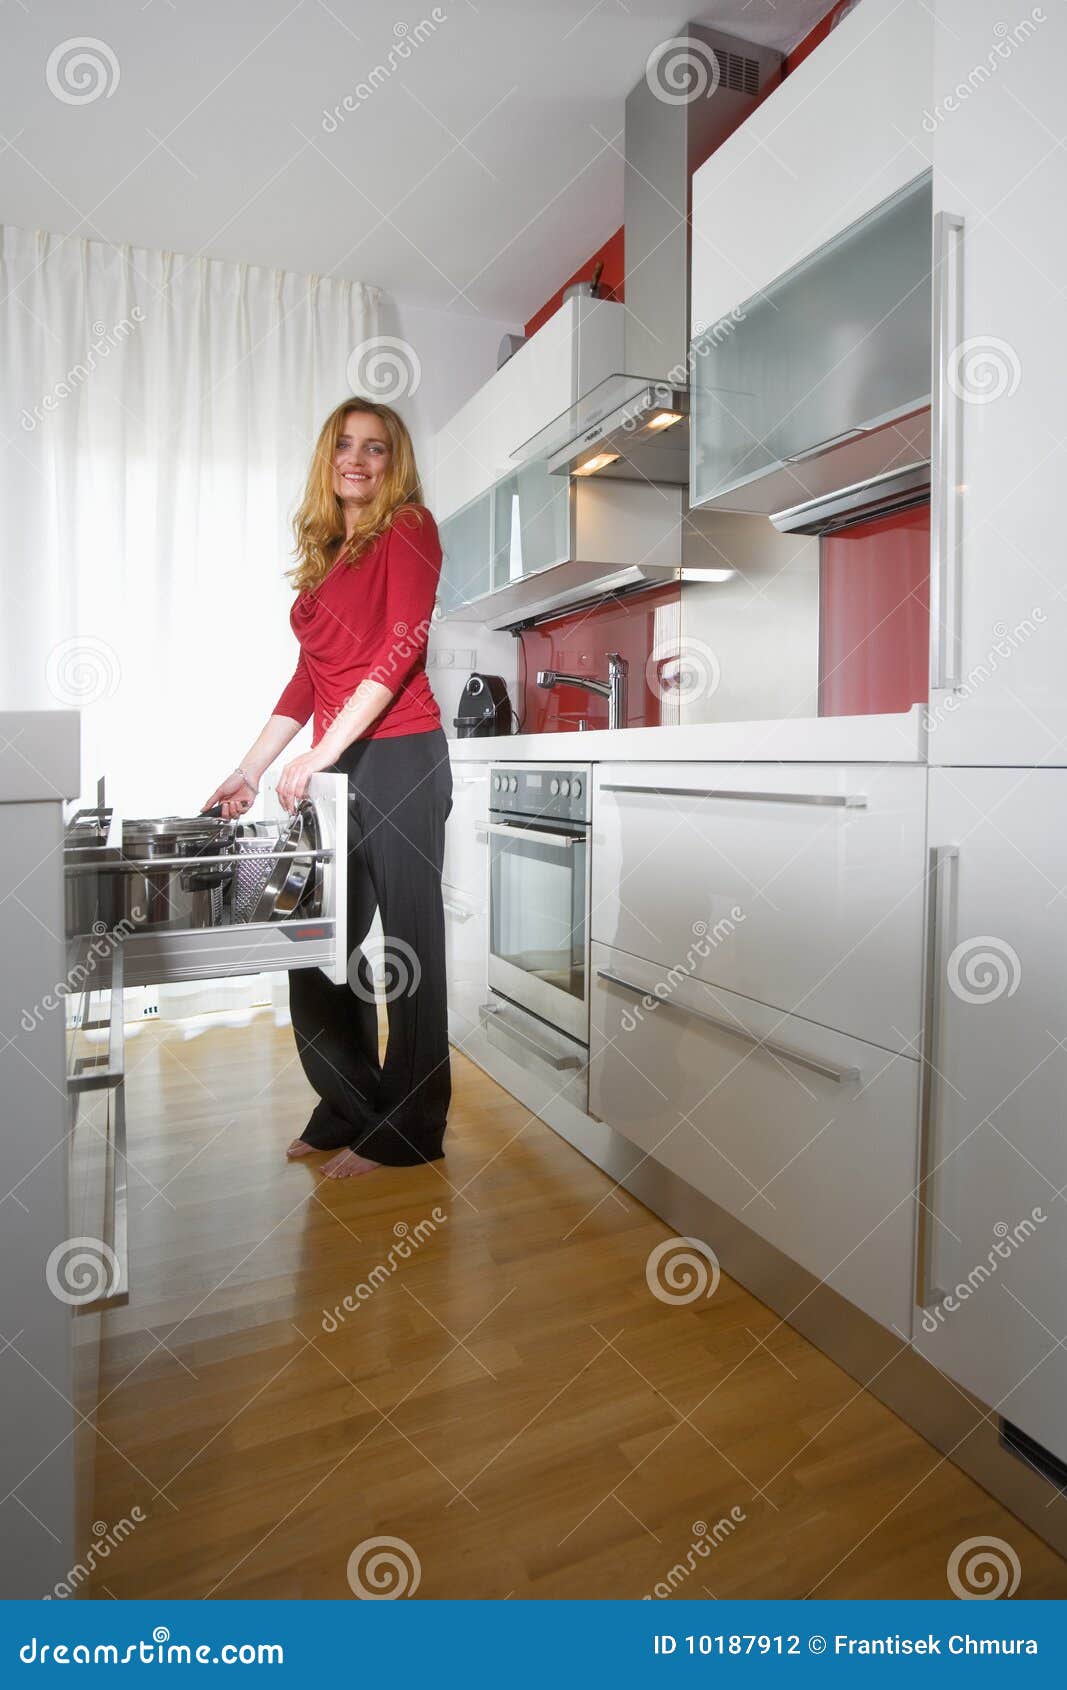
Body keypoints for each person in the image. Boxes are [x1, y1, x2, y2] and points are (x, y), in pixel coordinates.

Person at [202, 398, 453, 1179]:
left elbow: (402, 649)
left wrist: (321, 757)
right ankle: (349, 1103)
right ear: (327, 458)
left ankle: (410, 1128)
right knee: (312, 940)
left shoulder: (408, 528)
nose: (358, 458)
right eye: (344, 445)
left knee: (409, 945)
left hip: (402, 754)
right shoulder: (326, 558)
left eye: (375, 448)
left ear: (393, 462)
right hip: (340, 763)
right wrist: (248, 768)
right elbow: (307, 681)